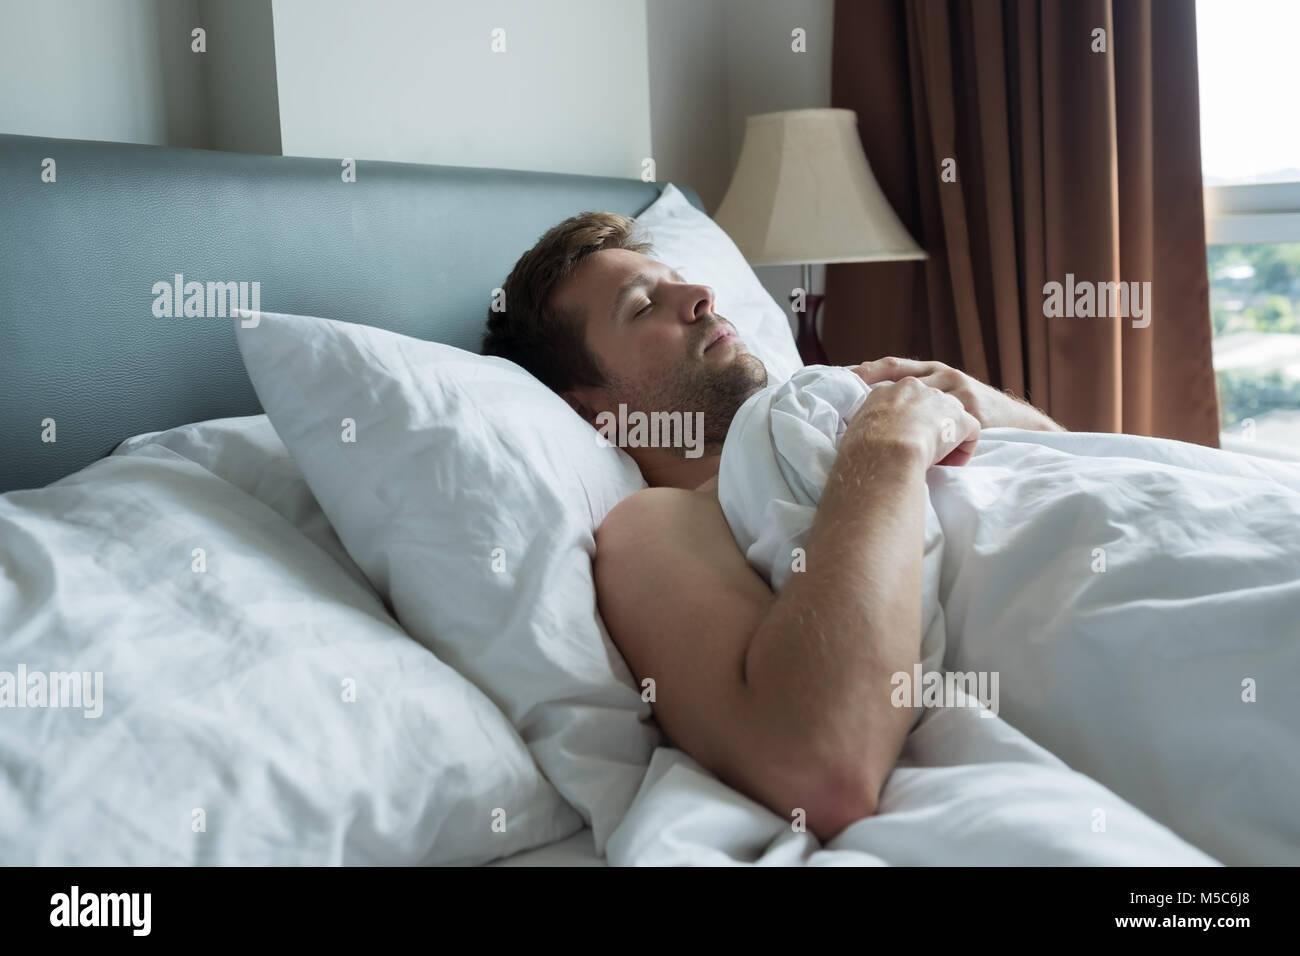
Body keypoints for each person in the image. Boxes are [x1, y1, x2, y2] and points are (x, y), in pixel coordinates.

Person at [483, 211, 1064, 842]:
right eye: (643, 304)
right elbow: (818, 767)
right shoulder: (659, 525)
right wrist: (887, 447)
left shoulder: (844, 399)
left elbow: (1108, 469)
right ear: (590, 408)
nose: (700, 295)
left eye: (677, 278)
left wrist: (990, 405)